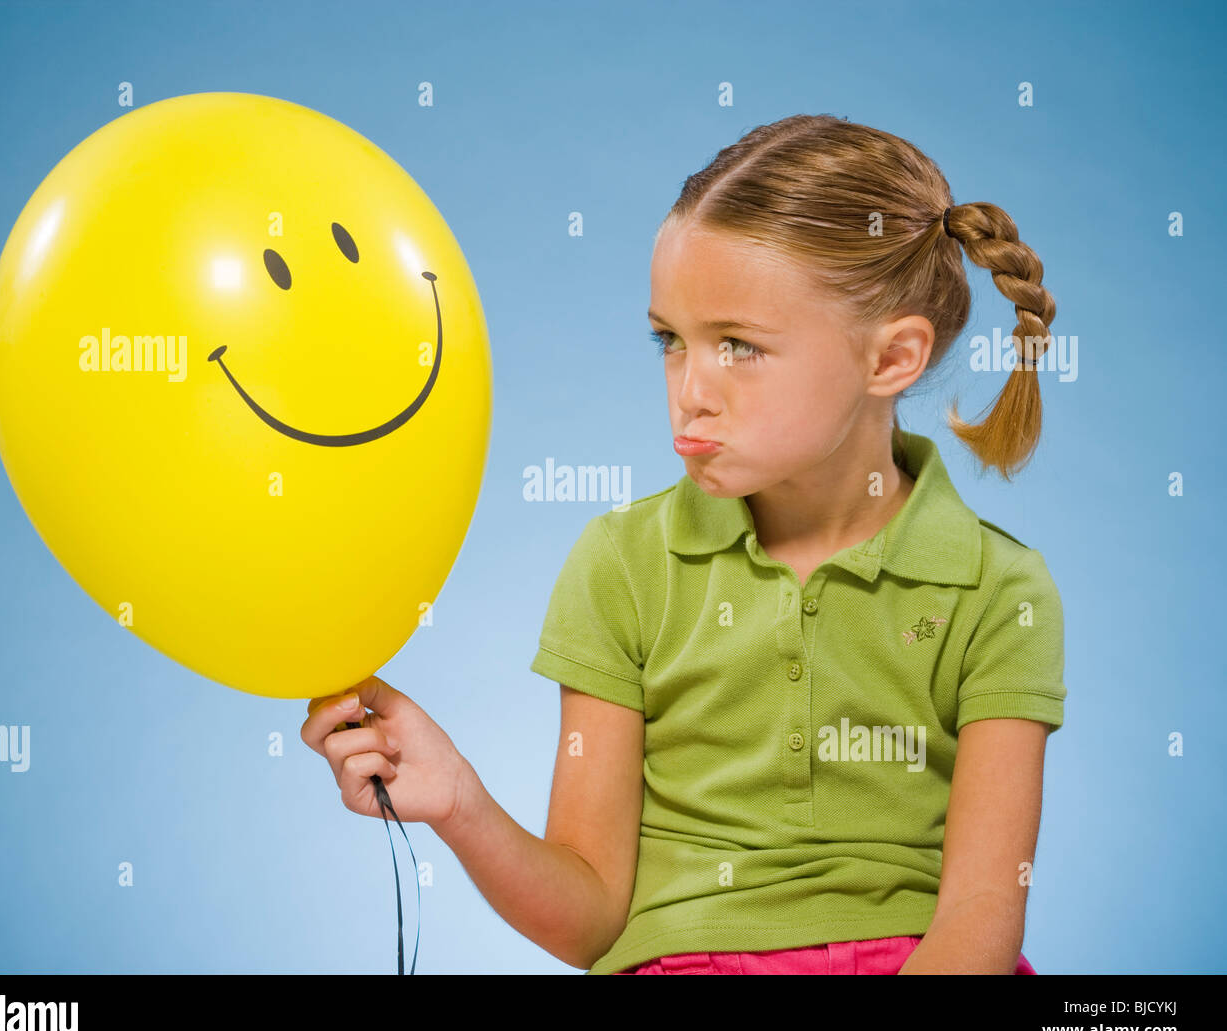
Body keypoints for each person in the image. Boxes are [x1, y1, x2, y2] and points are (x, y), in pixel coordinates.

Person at [300, 114, 1066, 975]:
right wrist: (459, 801)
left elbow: (979, 919)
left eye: (738, 345)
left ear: (891, 358)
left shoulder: (1000, 589)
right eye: (671, 341)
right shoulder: (624, 564)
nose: (689, 393)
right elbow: (589, 913)